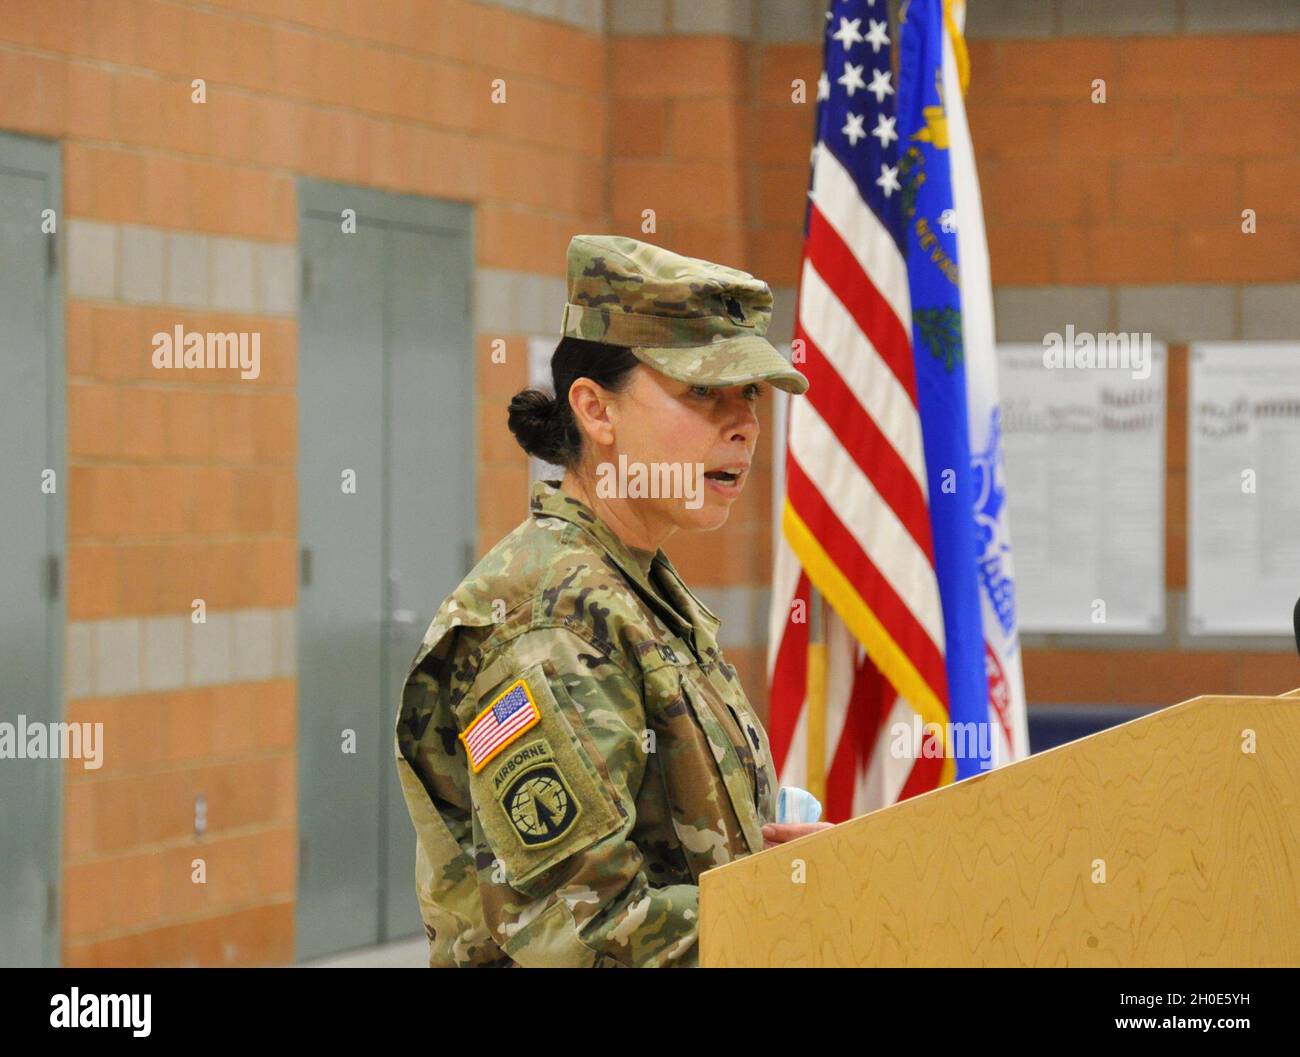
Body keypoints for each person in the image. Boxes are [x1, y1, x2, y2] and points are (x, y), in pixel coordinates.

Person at [394, 234, 831, 968]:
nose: (745, 424)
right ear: (597, 411)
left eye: (750, 393)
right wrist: (818, 907)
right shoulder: (548, 619)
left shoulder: (630, 584)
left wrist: (805, 871)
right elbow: (586, 932)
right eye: (702, 391)